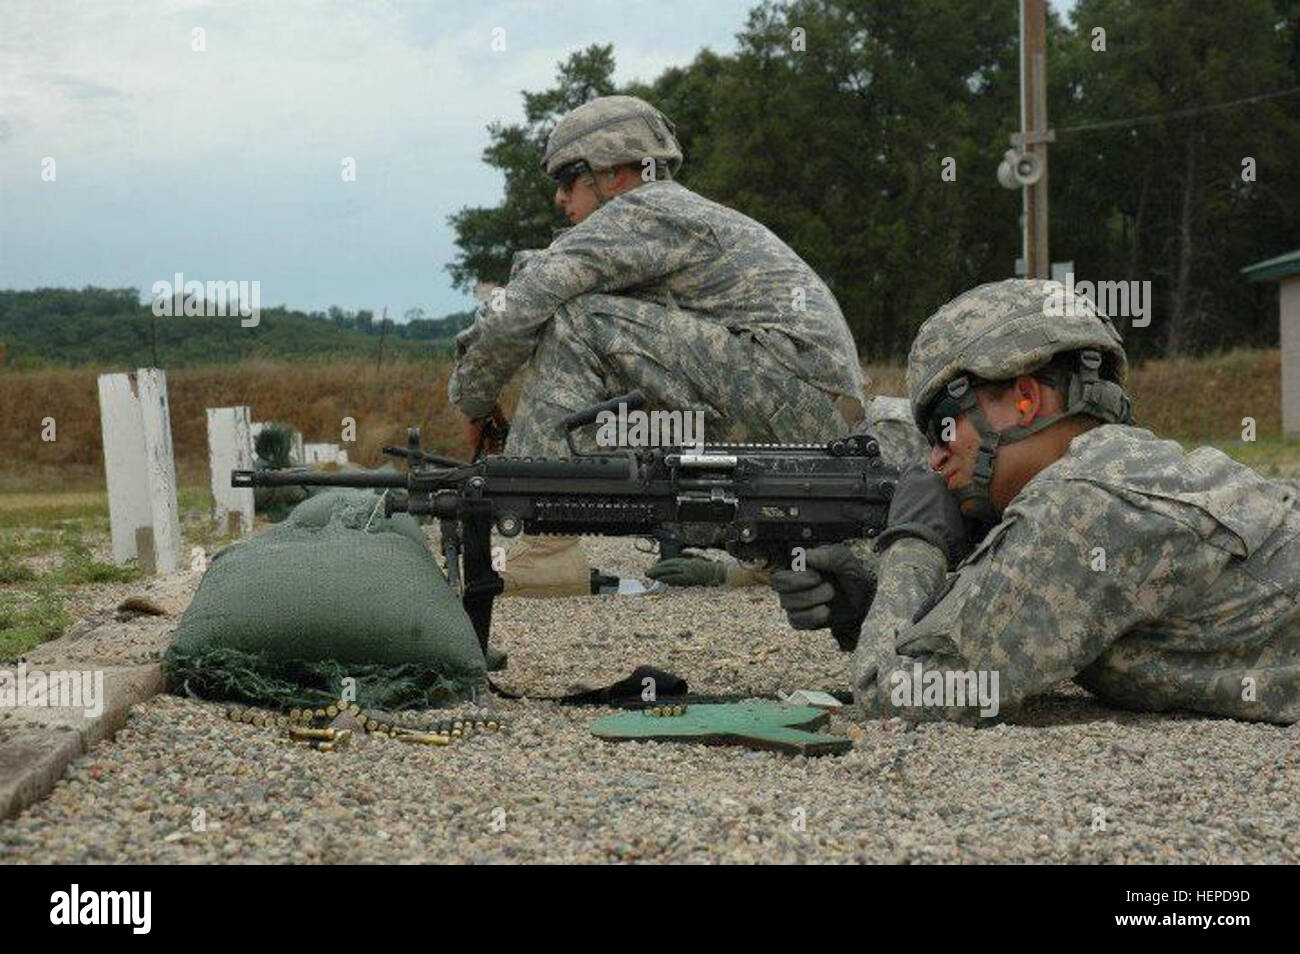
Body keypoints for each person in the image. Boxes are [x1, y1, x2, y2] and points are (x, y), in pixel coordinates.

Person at [771, 278, 1300, 725]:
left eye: (942, 429)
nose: (934, 459)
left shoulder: (1078, 507)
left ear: (1025, 401)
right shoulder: (1118, 469)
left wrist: (913, 546)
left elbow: (892, 695)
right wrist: (875, 602)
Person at [448, 95, 869, 594]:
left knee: (577, 318)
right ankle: (773, 551)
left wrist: (474, 400)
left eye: (567, 180)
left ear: (613, 174)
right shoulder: (672, 217)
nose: (560, 200)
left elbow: (520, 305)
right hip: (805, 413)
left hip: (789, 400)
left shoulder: (646, 210)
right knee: (612, 402)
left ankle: (544, 551)